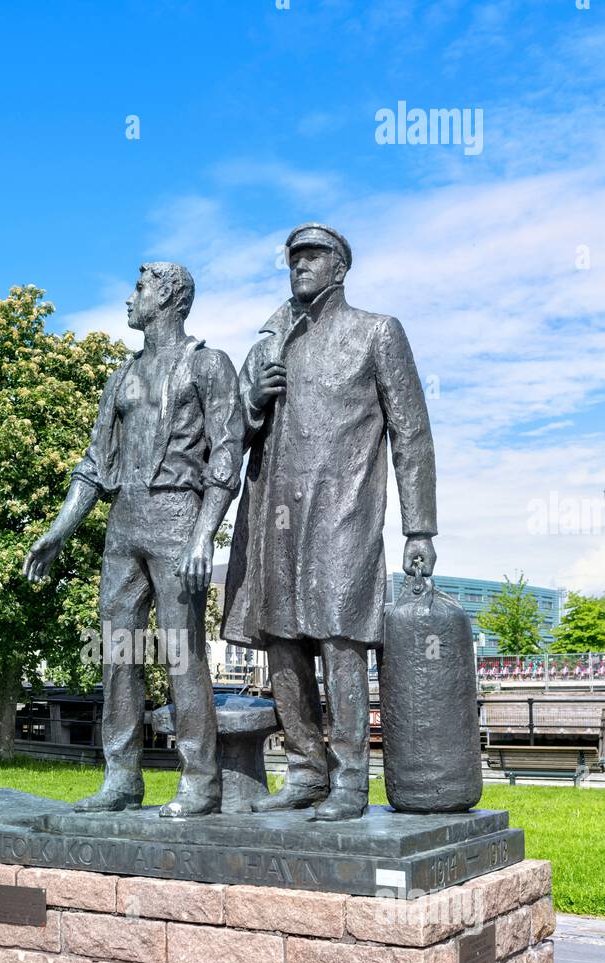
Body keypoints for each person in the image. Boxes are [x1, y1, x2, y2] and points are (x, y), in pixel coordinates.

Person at [222, 223, 437, 820]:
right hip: (274, 514)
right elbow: (230, 437)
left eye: (313, 256)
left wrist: (419, 528)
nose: (300, 266)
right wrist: (253, 401)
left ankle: (348, 780)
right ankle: (304, 771)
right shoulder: (270, 343)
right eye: (294, 258)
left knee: (340, 635)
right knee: (282, 640)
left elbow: (412, 433)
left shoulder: (376, 332)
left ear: (340, 267)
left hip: (344, 512)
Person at [24, 263, 243, 817]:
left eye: (139, 288)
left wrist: (203, 536)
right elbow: (96, 463)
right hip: (124, 523)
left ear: (167, 296)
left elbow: (227, 455)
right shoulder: (121, 376)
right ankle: (120, 777)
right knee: (117, 654)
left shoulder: (208, 365)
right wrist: (58, 530)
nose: (129, 298)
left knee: (180, 653)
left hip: (177, 516)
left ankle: (200, 782)